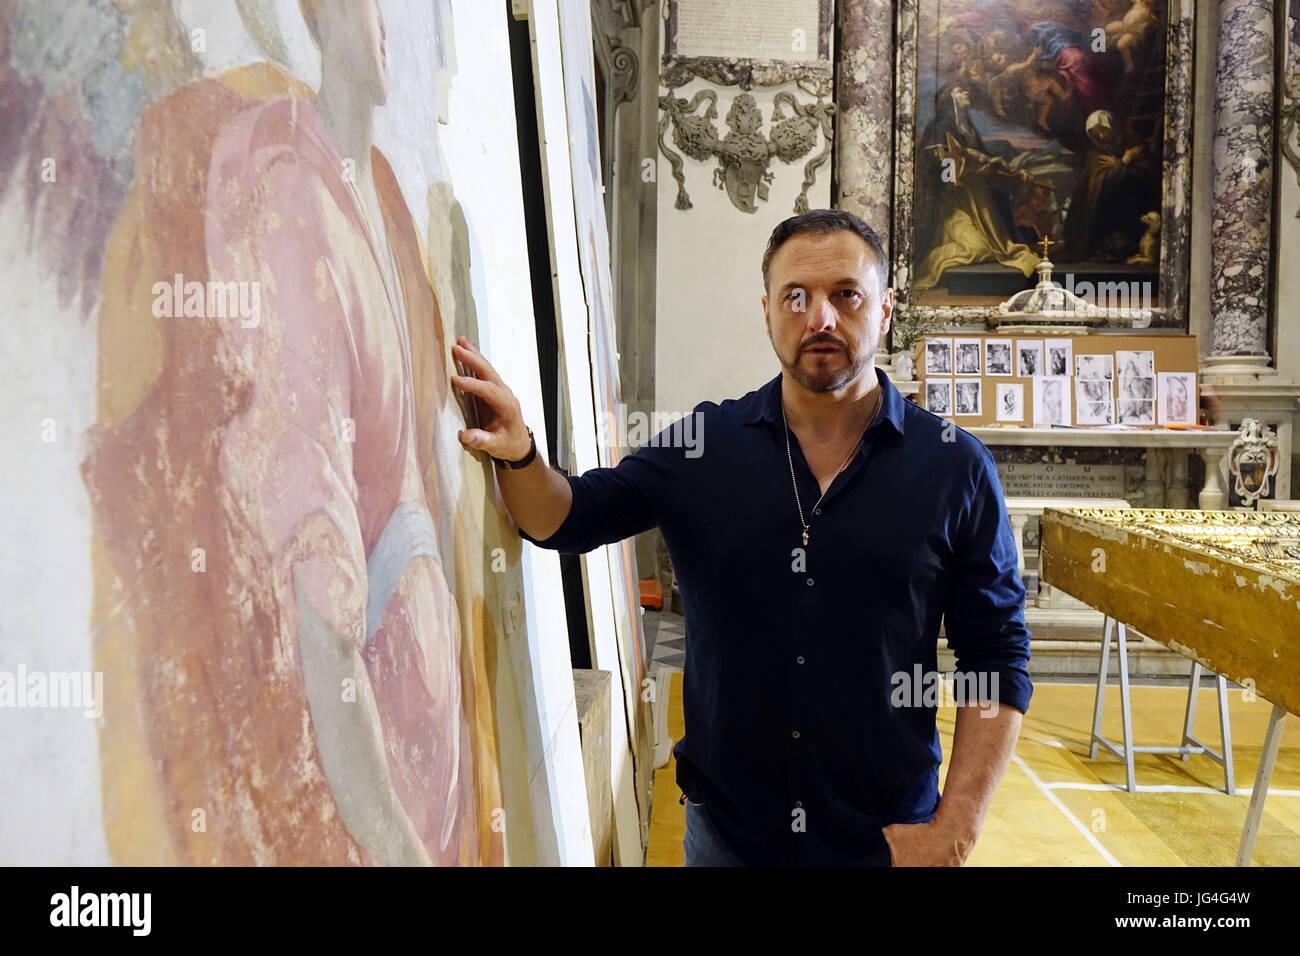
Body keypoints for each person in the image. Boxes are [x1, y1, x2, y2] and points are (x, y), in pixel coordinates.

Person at [452, 209, 1032, 867]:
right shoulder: (705, 448)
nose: (821, 318)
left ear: (885, 309)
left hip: (884, 842)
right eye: (796, 297)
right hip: (728, 837)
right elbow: (565, 519)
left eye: (846, 294)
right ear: (767, 312)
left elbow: (996, 654)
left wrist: (954, 830)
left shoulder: (954, 466)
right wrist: (520, 450)